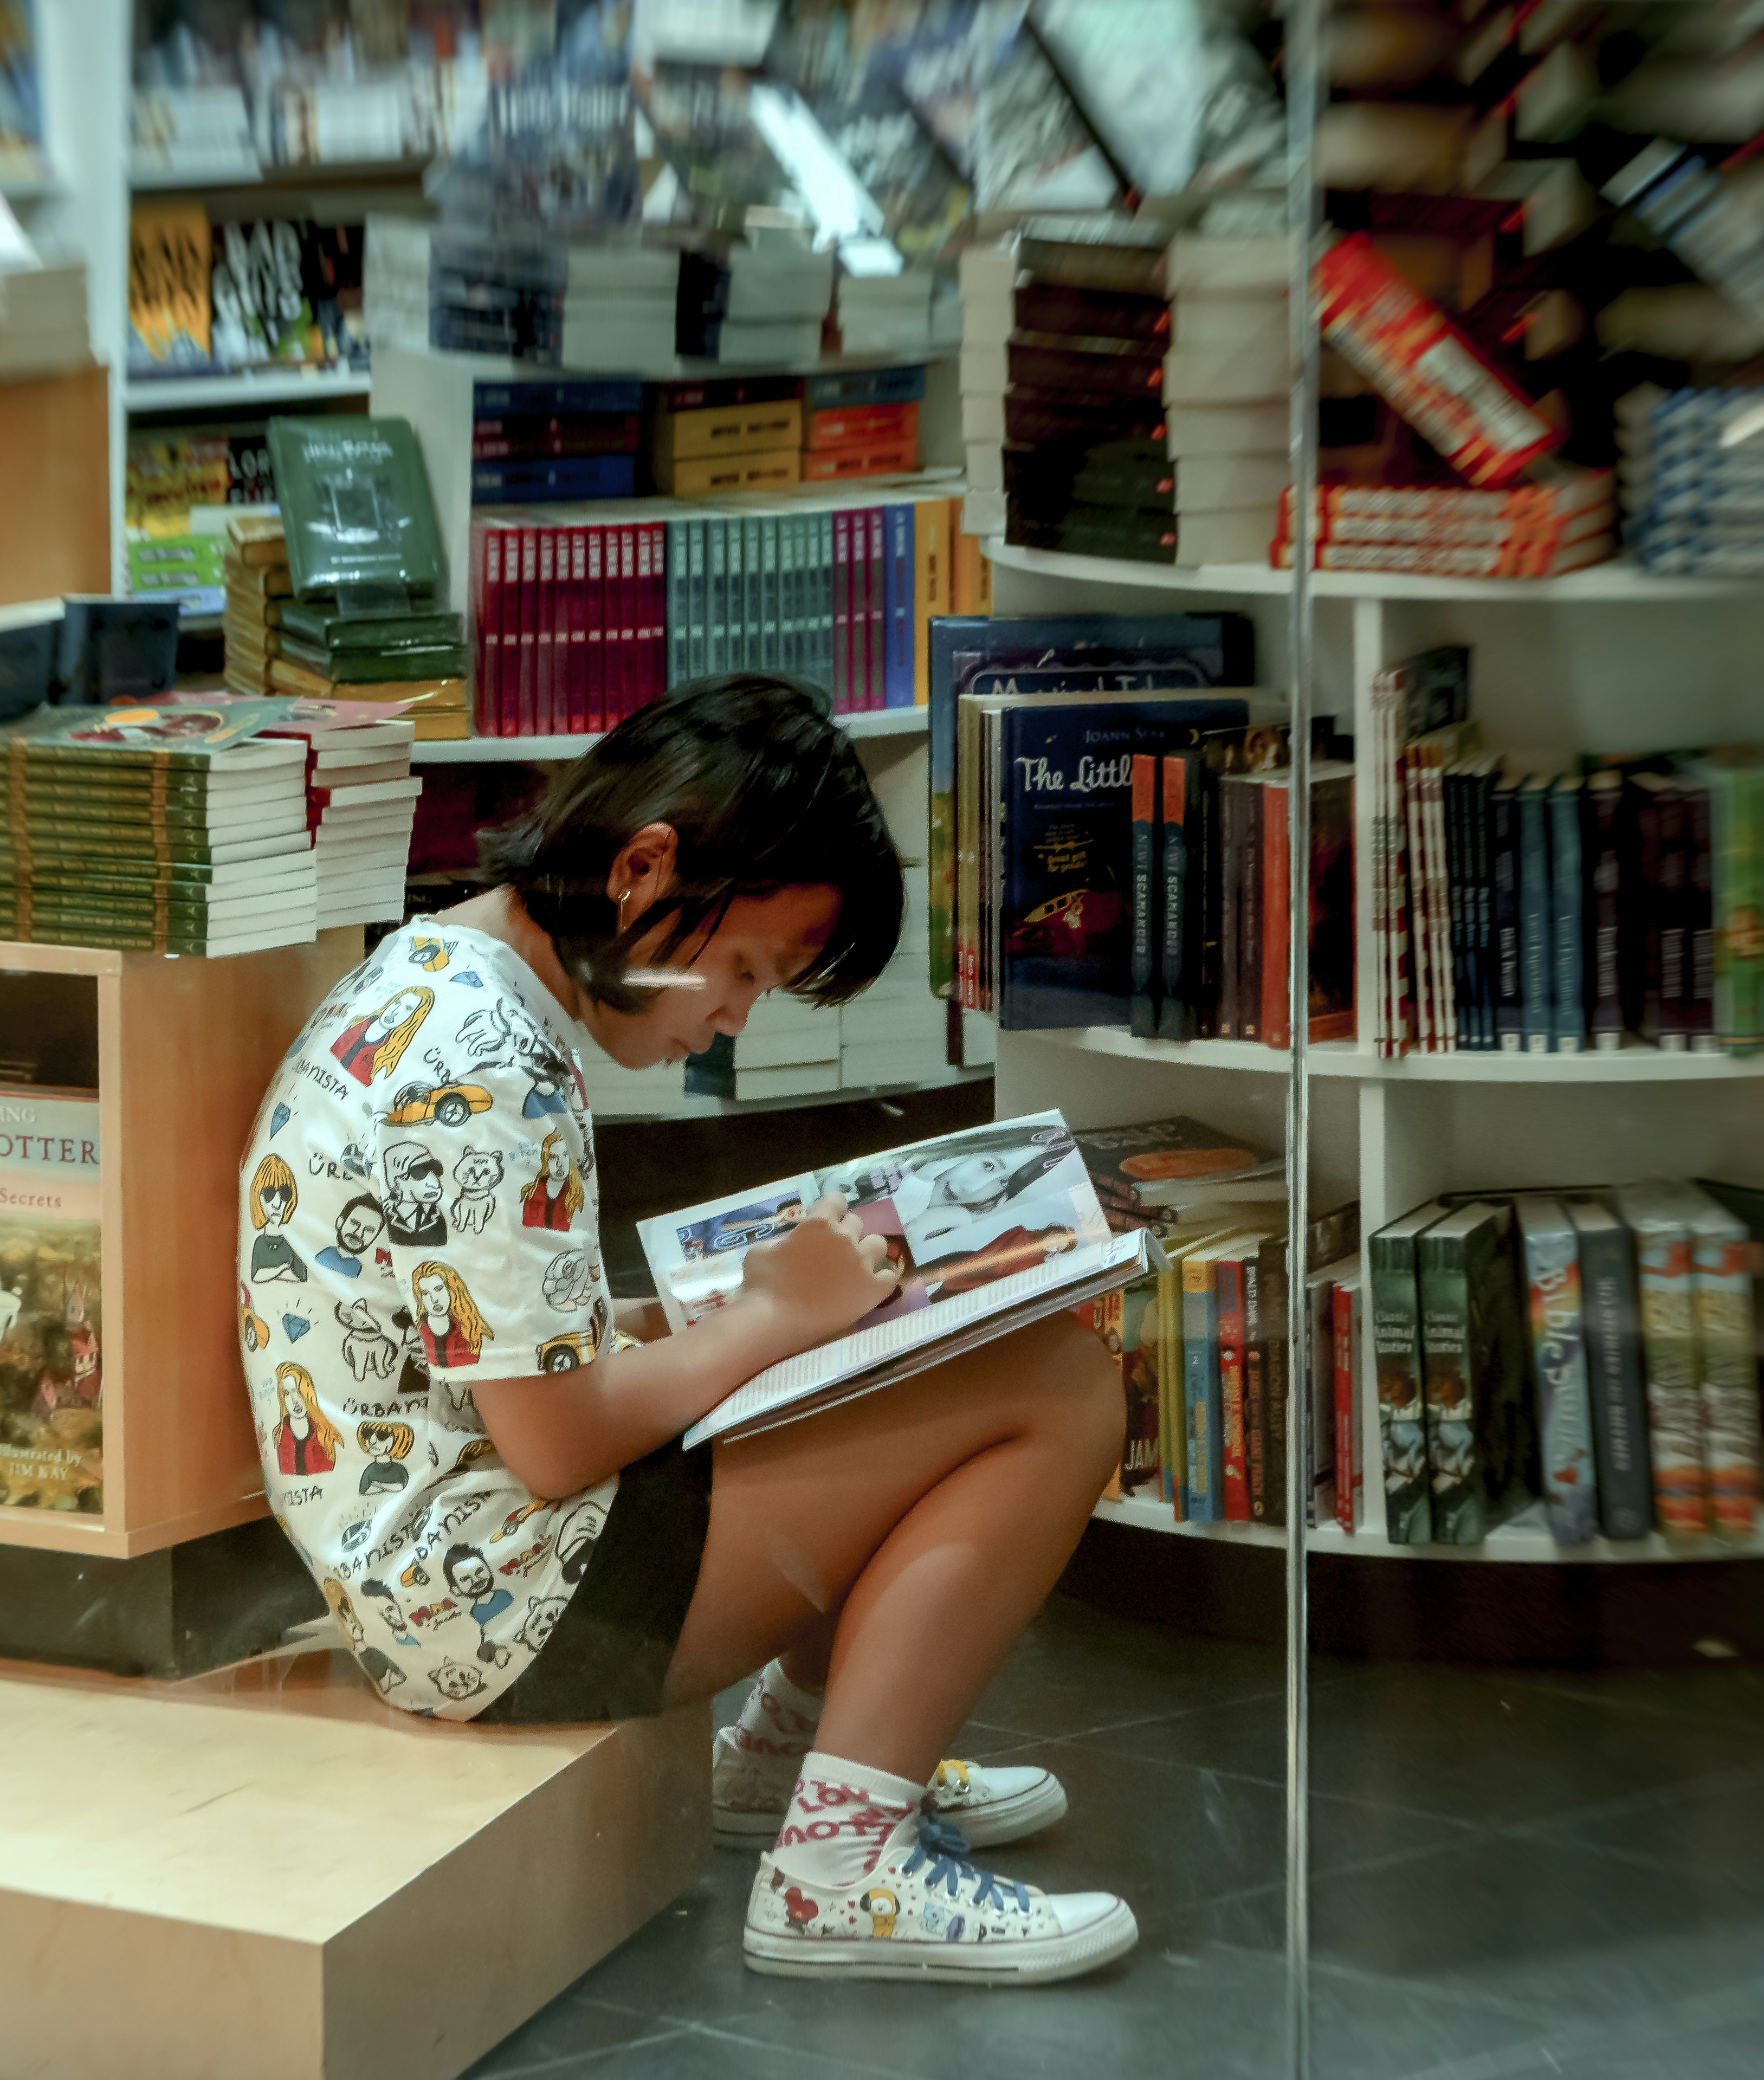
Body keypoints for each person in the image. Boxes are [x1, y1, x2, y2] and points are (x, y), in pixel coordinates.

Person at [238, 674, 1131, 1984]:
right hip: (495, 1604)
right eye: (745, 970)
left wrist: (756, 1318)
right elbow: (549, 1446)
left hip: (442, 1582)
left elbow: (486, 1347)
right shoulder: (488, 1061)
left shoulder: (442, 980)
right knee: (1057, 1383)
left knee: (900, 1357)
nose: (729, 1018)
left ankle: (787, 1765)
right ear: (644, 868)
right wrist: (773, 1316)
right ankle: (838, 1869)